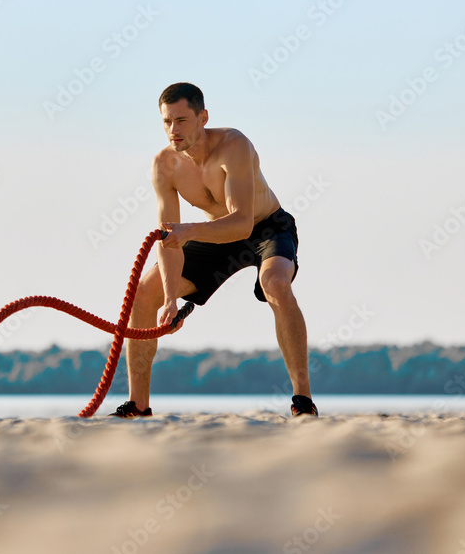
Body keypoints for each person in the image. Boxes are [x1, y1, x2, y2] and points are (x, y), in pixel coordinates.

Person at [110, 82, 318, 418]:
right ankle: (138, 404)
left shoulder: (233, 145)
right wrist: (168, 298)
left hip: (265, 227)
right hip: (214, 235)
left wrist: (190, 231)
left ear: (202, 117)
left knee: (275, 284)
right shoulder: (164, 165)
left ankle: (302, 400)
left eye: (181, 120)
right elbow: (169, 239)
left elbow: (242, 224)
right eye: (166, 122)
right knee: (143, 294)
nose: (172, 130)